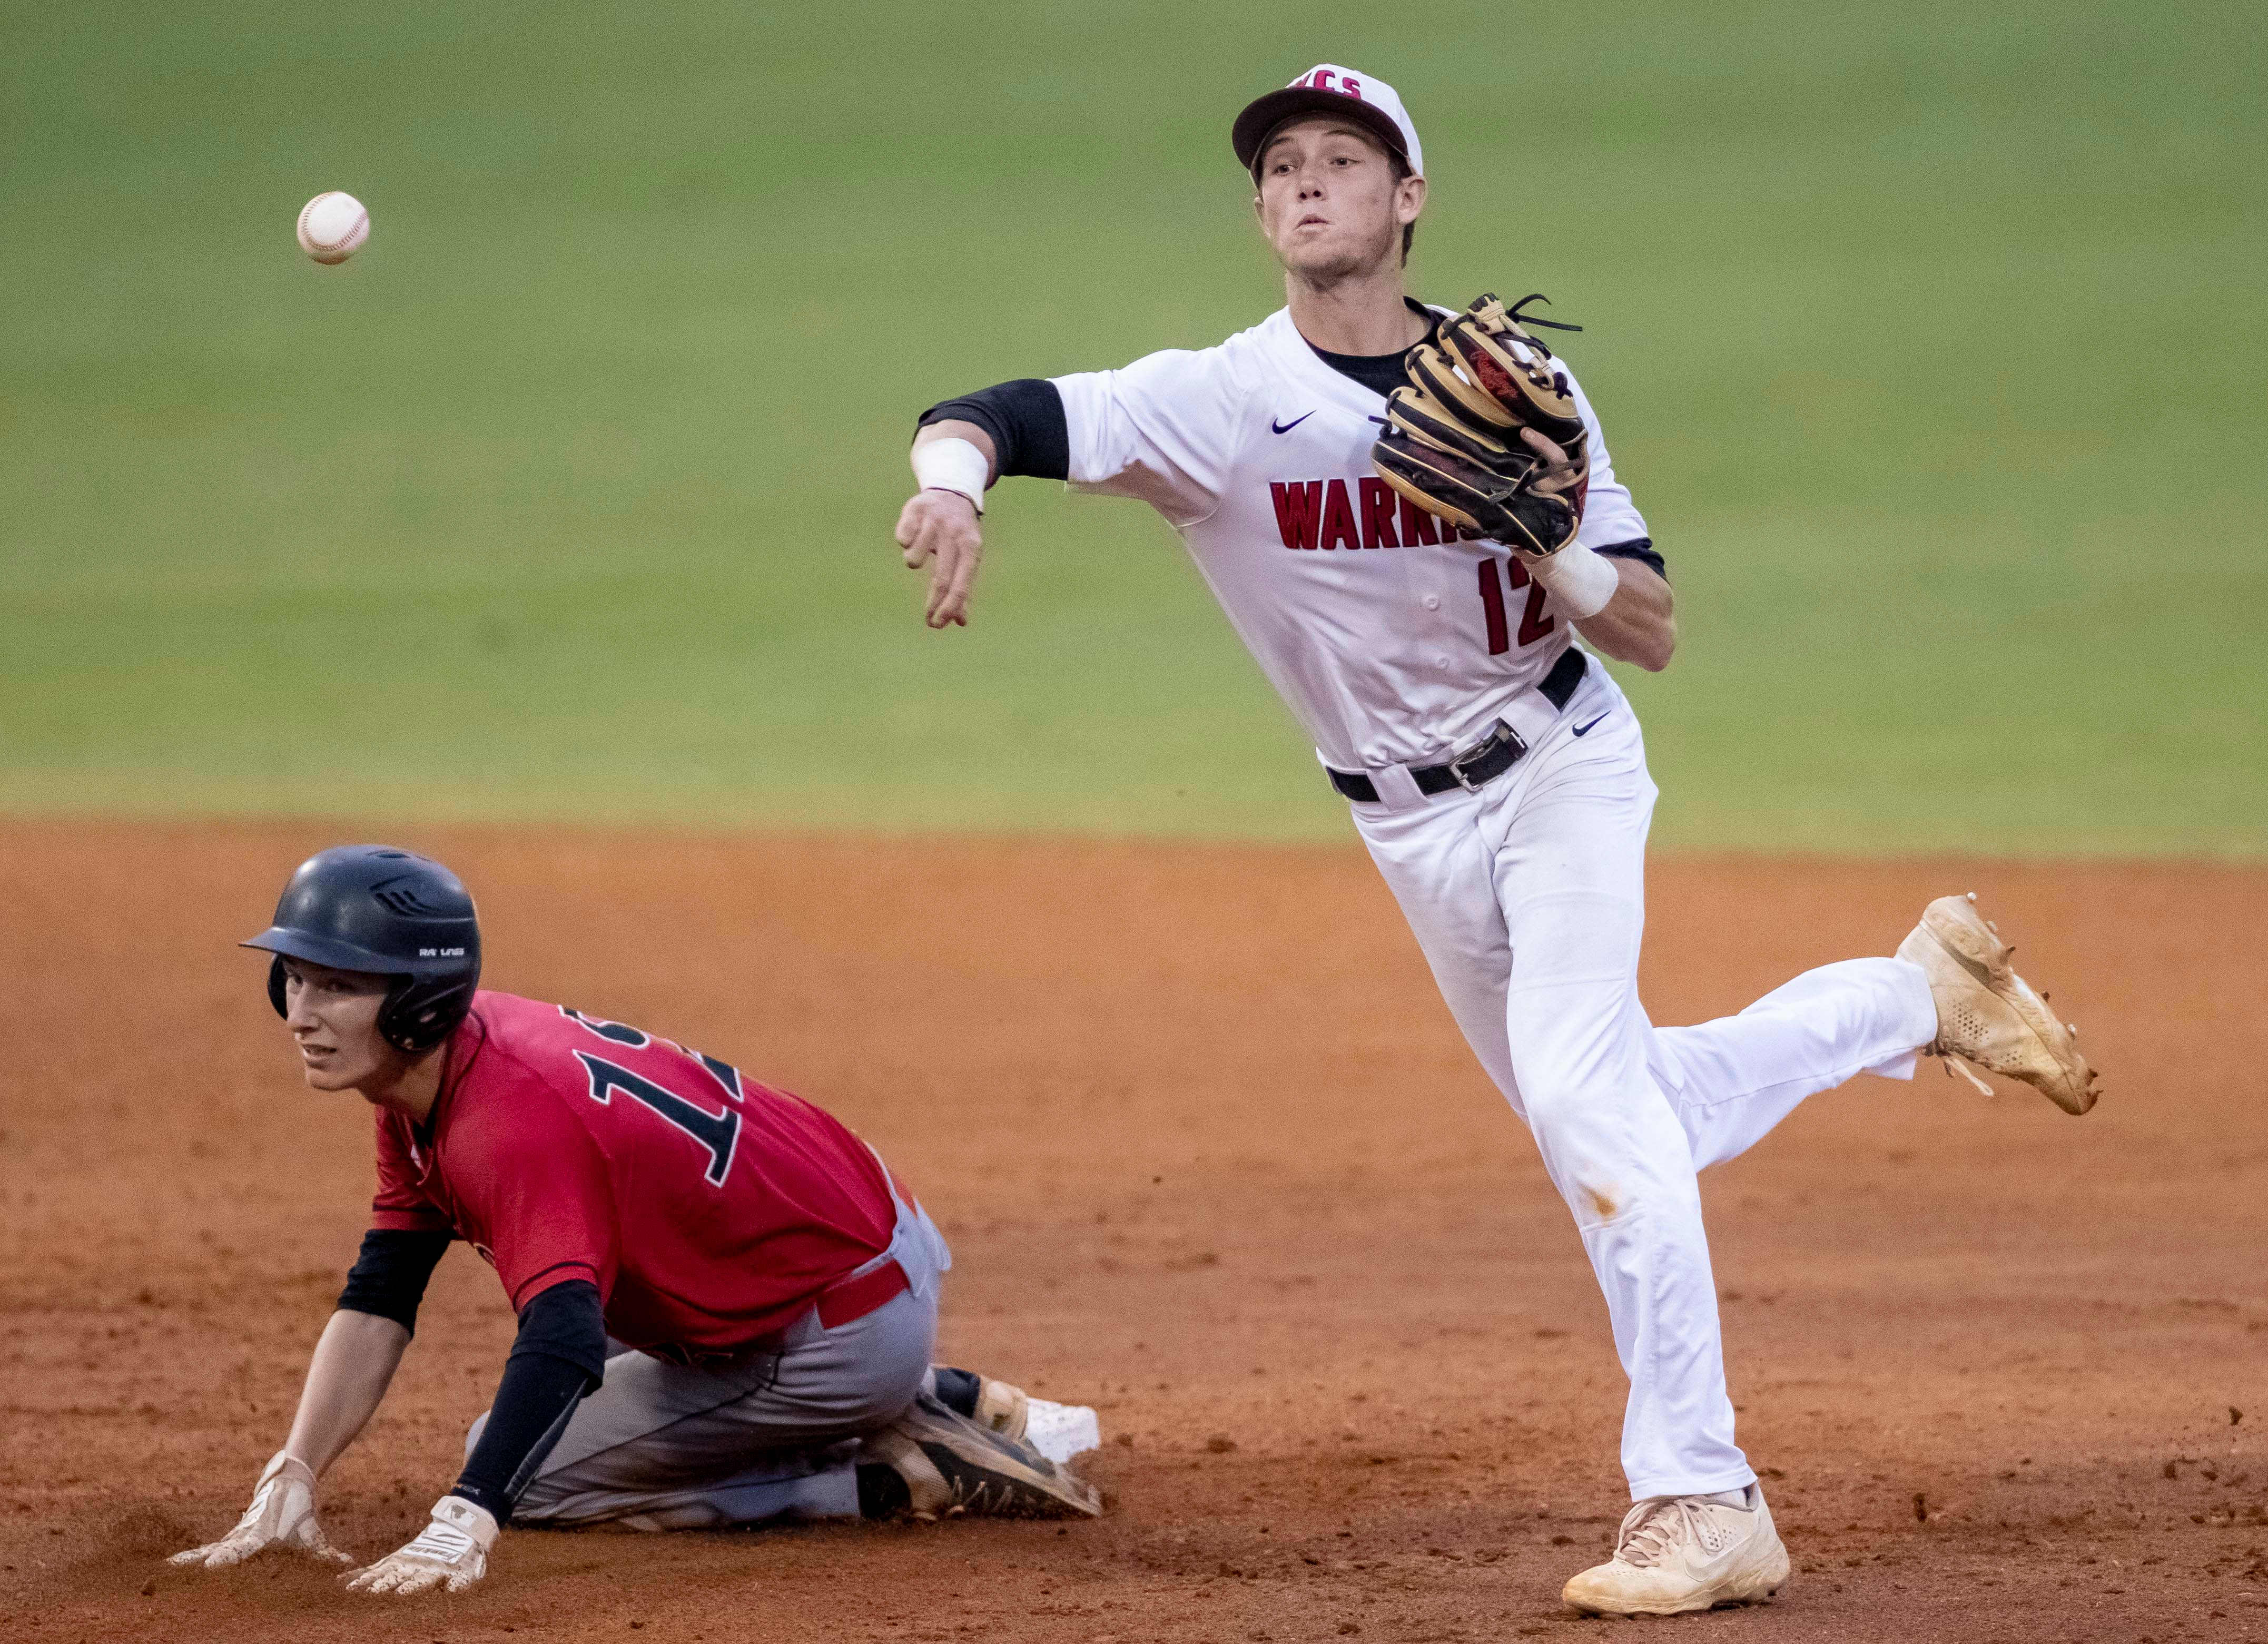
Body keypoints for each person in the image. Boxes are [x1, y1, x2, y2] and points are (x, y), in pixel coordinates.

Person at [890, 64, 2098, 1617]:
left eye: (1343, 159)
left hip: (1562, 769)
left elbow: (1650, 626)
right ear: (1261, 211)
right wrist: (953, 490)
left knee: (1590, 1114)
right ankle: (1909, 995)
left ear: (1408, 200)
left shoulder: (1522, 385)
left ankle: (1704, 1493)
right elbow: (995, 413)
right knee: (1624, 1109)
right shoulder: (1217, 404)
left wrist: (1549, 544)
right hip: (1406, 827)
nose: (1305, 181)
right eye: (1281, 165)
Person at [170, 844, 1100, 1599]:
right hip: (845, 1251)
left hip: (832, 1318)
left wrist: (468, 1516)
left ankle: (886, 1469)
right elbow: (383, 1291)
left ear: (419, 1000)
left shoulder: (505, 1123)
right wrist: (294, 1473)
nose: (302, 1014)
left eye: (338, 986)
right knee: (581, 1356)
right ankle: (936, 1392)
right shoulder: (432, 1072)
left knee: (526, 1470)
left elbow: (564, 1336)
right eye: (295, 979)